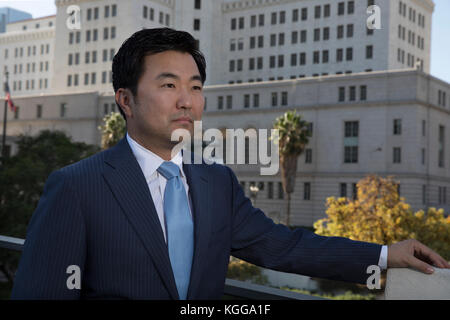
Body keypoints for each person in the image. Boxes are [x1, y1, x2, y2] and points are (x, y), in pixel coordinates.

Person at [11, 28, 450, 300]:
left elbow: (284, 246)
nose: (187, 100)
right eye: (168, 84)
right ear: (125, 99)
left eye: (196, 86)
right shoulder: (76, 187)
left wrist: (384, 255)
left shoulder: (215, 181)